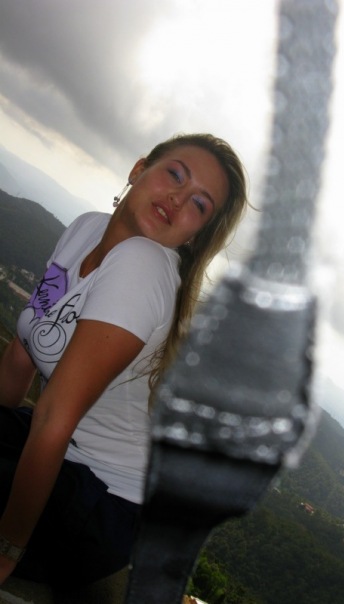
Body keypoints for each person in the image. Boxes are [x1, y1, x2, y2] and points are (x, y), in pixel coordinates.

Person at [0, 133, 248, 588]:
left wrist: (7, 547)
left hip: (101, 501)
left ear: (195, 235)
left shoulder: (144, 265)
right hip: (59, 455)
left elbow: (54, 416)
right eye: (175, 174)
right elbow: (22, 351)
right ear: (139, 169)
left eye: (198, 204)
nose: (177, 198)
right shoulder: (86, 230)